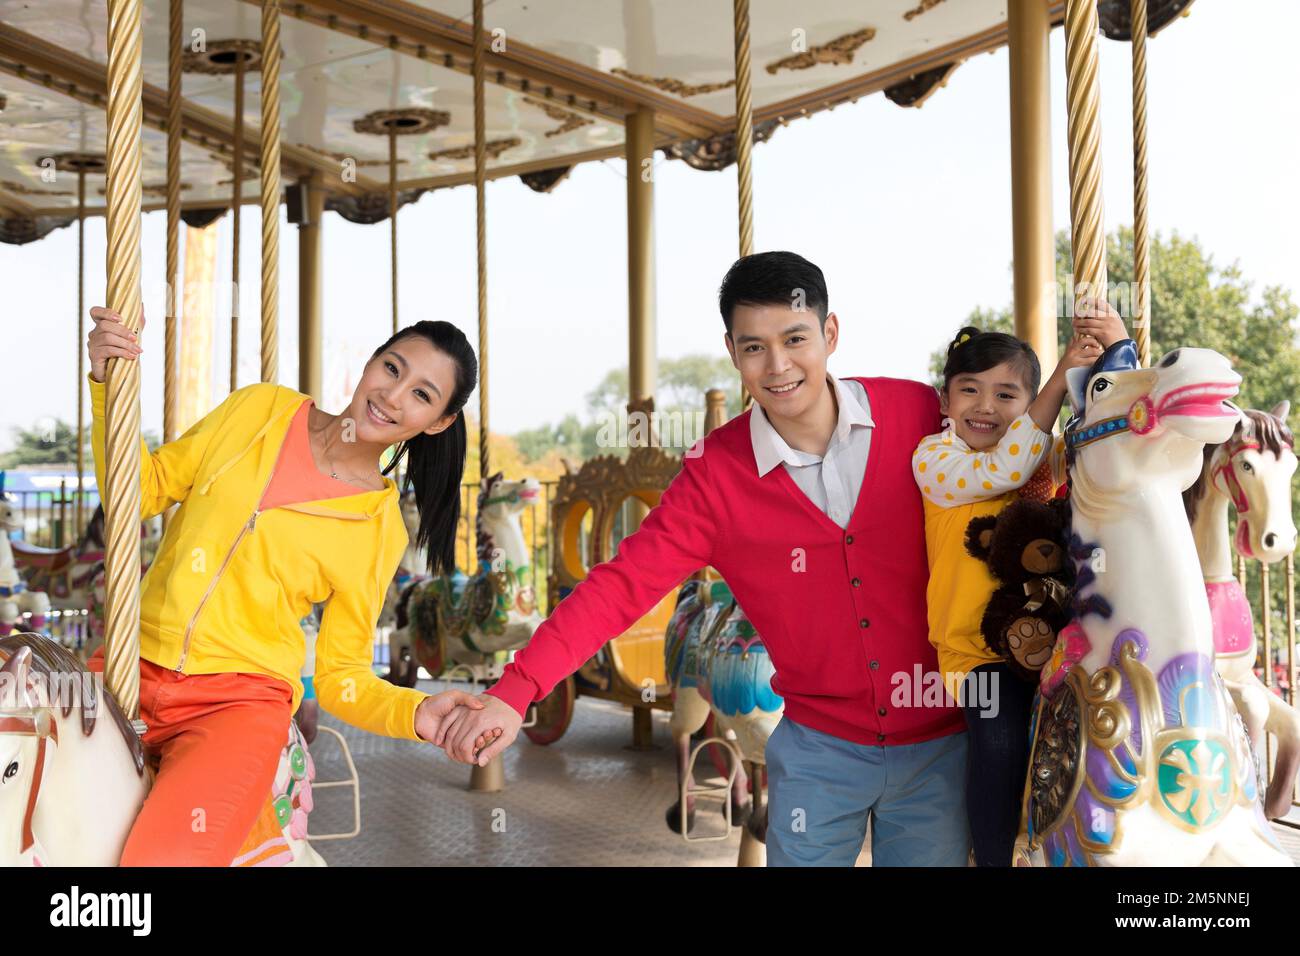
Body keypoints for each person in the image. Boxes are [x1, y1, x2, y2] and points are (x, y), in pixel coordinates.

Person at [437, 251, 979, 865]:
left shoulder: (917, 414)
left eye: (795, 338)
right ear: (732, 351)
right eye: (754, 348)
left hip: (942, 742)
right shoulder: (714, 475)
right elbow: (620, 587)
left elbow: (1020, 467)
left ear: (830, 334)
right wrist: (517, 690)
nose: (777, 366)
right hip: (817, 753)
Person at [84, 306, 493, 865]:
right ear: (370, 362)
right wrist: (108, 386)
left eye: (422, 396)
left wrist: (413, 713)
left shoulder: (377, 528)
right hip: (127, 664)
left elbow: (342, 674)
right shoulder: (260, 409)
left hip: (235, 705)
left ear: (438, 423)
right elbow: (142, 489)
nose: (393, 396)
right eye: (392, 368)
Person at [913, 299, 1127, 866]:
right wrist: (1059, 377)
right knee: (1000, 739)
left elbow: (1112, 445)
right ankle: (991, 857)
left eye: (1007, 396)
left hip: (1053, 645)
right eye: (969, 391)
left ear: (1027, 405)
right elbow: (1003, 470)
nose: (985, 407)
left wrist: (1115, 347)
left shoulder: (1042, 459)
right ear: (944, 401)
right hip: (976, 656)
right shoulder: (936, 459)